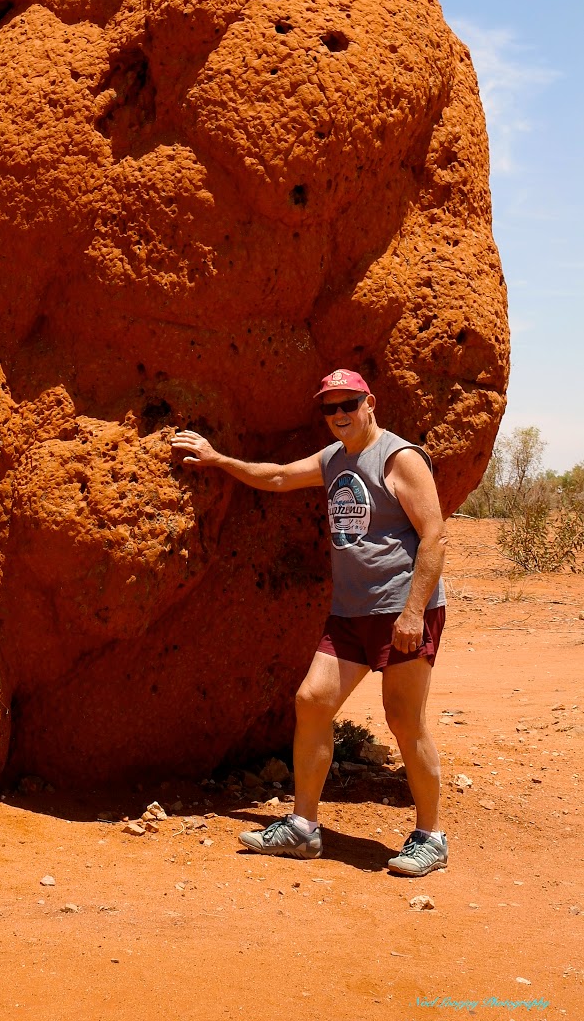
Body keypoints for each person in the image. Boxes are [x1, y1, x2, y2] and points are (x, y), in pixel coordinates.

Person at [170, 369, 449, 877]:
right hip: (350, 610)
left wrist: (413, 612)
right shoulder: (334, 459)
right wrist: (218, 459)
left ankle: (431, 836)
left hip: (401, 609)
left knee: (405, 720)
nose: (339, 414)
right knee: (312, 700)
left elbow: (434, 536)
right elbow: (277, 477)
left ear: (370, 403)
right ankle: (303, 829)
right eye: (329, 407)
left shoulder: (399, 457)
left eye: (348, 404)